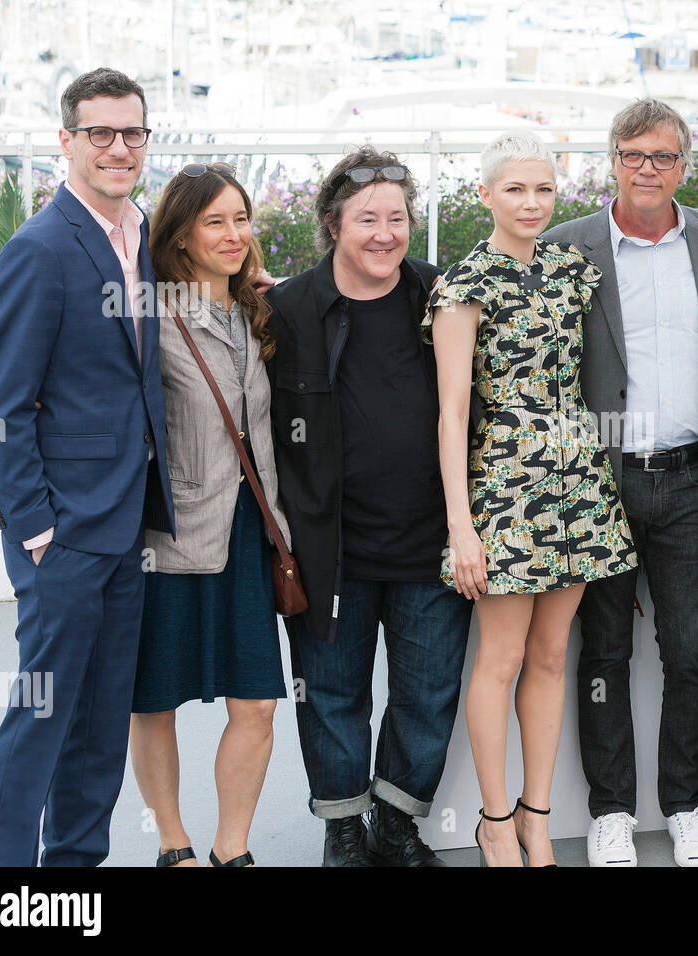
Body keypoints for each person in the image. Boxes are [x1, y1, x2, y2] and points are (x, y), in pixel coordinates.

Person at [0, 68, 174, 866]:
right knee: (41, 717)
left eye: (132, 133)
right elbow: (2, 404)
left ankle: (73, 879)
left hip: (127, 523)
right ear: (67, 141)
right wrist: (34, 531)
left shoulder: (144, 236)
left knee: (99, 721)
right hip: (62, 534)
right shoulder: (41, 248)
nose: (118, 147)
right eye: (101, 133)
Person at [426, 131, 637, 867]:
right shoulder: (463, 283)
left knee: (551, 656)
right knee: (502, 657)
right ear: (485, 195)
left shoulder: (574, 272)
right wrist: (462, 526)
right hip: (506, 488)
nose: (531, 202)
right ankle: (491, 819)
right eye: (514, 188)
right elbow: (453, 412)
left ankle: (536, 815)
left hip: (579, 478)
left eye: (543, 188)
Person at [266, 147, 472, 867]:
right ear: (332, 224)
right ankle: (344, 829)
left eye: (397, 218)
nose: (385, 233)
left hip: (430, 546)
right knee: (330, 697)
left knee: (427, 697)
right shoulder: (288, 308)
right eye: (367, 219)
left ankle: (397, 823)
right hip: (331, 552)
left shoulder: (439, 294)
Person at [543, 97, 698, 867]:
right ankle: (610, 810)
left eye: (662, 156)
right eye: (632, 154)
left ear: (684, 165)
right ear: (611, 161)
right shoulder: (567, 246)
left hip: (694, 478)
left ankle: (686, 805)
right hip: (601, 480)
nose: (647, 169)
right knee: (603, 655)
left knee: (691, 652)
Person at [127, 163, 288, 868]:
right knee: (153, 698)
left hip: (252, 531)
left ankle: (232, 849)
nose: (234, 234)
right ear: (182, 236)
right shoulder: (146, 316)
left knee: (256, 703)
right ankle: (172, 843)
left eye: (241, 218)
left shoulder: (262, 310)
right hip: (170, 535)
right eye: (215, 222)